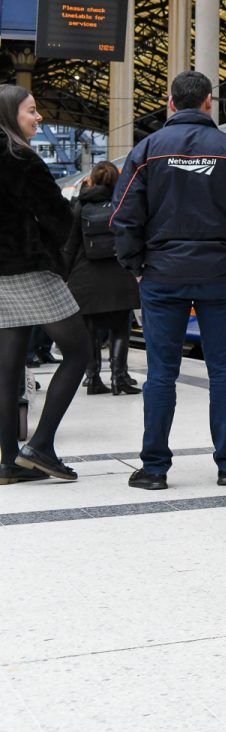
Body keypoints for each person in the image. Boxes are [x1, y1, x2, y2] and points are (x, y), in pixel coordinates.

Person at [111, 71, 226, 491]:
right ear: (208, 103)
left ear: (170, 103)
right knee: (223, 371)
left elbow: (123, 217)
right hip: (220, 276)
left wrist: (137, 266)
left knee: (161, 374)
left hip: (161, 277)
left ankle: (154, 470)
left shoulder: (145, 151)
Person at [0, 84, 91, 484]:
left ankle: (8, 462)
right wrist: (55, 248)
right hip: (30, 269)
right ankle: (41, 445)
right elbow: (58, 217)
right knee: (79, 352)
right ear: (9, 114)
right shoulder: (20, 158)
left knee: (7, 372)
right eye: (31, 111)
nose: (38, 118)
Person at [62, 161, 142, 396]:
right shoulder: (123, 203)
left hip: (86, 277)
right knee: (120, 329)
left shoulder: (80, 205)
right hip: (119, 275)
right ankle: (119, 379)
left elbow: (71, 244)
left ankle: (93, 379)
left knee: (89, 332)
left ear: (92, 181)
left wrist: (64, 274)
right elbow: (134, 238)